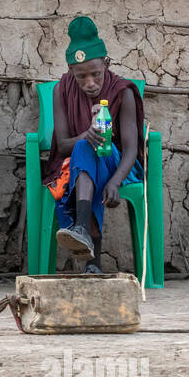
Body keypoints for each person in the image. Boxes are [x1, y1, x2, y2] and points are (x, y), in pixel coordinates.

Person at [45, 15, 145, 274]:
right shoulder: (61, 91)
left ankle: (81, 232)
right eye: (81, 76)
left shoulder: (122, 91)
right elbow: (63, 145)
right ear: (70, 71)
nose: (89, 83)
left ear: (107, 64)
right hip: (77, 163)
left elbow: (132, 148)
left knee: (90, 157)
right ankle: (92, 263)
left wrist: (115, 182)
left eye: (96, 74)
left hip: (119, 164)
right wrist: (84, 136)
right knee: (83, 149)